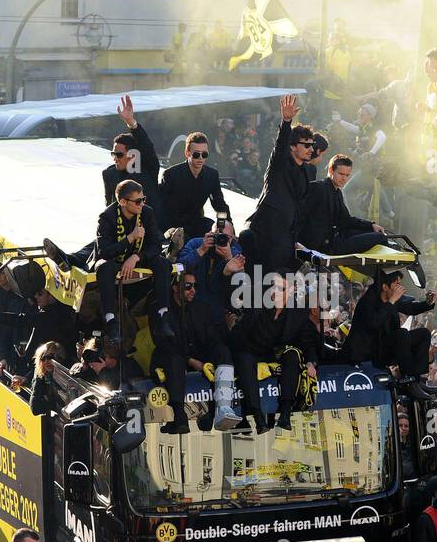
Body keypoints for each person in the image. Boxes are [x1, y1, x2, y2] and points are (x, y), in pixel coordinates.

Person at [149, 270, 238, 434]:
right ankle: (179, 416)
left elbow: (211, 338)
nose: (193, 291)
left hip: (198, 355)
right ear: (175, 287)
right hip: (171, 357)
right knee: (174, 359)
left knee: (222, 351)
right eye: (188, 286)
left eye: (195, 286)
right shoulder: (160, 309)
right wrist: (190, 360)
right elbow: (163, 343)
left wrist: (226, 329)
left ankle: (224, 408)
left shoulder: (202, 308)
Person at [228, 275, 317, 433]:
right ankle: (257, 417)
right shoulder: (256, 307)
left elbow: (308, 341)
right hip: (251, 350)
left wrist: (311, 362)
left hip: (275, 353)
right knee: (245, 359)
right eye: (273, 287)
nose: (275, 292)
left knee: (293, 355)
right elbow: (238, 336)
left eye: (281, 289)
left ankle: (285, 413)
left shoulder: (298, 312)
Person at [94, 178, 174, 345]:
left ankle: (162, 316)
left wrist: (136, 257)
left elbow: (156, 245)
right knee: (104, 268)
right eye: (138, 201)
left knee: (163, 263)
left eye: (143, 199)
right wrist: (130, 238)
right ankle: (111, 321)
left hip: (136, 258)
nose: (142, 204)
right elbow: (104, 251)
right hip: (113, 260)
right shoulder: (106, 217)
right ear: (123, 201)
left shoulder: (147, 212)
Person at [241, 95, 311, 274]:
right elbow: (280, 146)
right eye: (306, 145)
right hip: (269, 235)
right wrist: (286, 122)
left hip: (287, 237)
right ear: (293, 146)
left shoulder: (305, 171)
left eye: (312, 145)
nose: (311, 148)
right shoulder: (279, 164)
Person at [342, 270, 435, 400]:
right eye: (396, 284)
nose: (400, 288)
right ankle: (408, 382)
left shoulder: (392, 299)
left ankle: (416, 380)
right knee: (402, 334)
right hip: (370, 353)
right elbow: (375, 324)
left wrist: (428, 303)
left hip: (387, 346)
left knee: (423, 334)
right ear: (385, 287)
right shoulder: (367, 303)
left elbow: (411, 309)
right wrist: (391, 302)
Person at [297, 154, 388, 256]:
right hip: (325, 245)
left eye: (347, 175)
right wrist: (297, 243)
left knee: (376, 233)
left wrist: (371, 225)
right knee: (381, 238)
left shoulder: (337, 193)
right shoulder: (318, 188)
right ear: (331, 170)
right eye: (341, 174)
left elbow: (346, 219)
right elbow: (298, 215)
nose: (344, 179)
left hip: (336, 237)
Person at [159, 131, 231, 243]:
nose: (201, 158)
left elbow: (219, 205)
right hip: (174, 225)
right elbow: (162, 208)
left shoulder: (212, 175)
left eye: (204, 154)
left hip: (197, 222)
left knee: (217, 233)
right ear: (187, 153)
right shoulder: (171, 175)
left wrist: (224, 227)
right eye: (196, 154)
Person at [100, 96, 162, 226]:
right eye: (113, 154)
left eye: (119, 154)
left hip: (150, 228)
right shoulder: (109, 174)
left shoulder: (148, 170)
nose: (115, 158)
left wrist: (131, 123)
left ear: (133, 156)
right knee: (97, 243)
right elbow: (109, 208)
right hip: (121, 229)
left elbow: (147, 146)